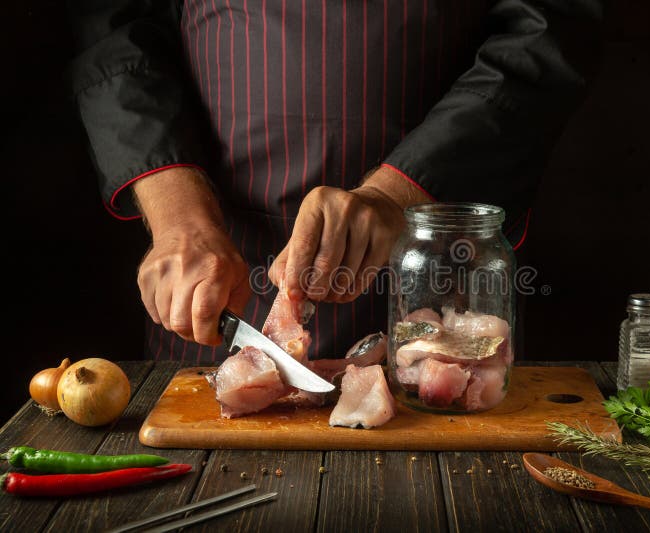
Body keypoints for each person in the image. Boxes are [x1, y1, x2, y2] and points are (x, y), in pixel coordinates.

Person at [68, 0, 603, 362]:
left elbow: (547, 30)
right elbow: (115, 29)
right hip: (221, 270)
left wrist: (401, 195)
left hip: (447, 259)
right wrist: (179, 218)